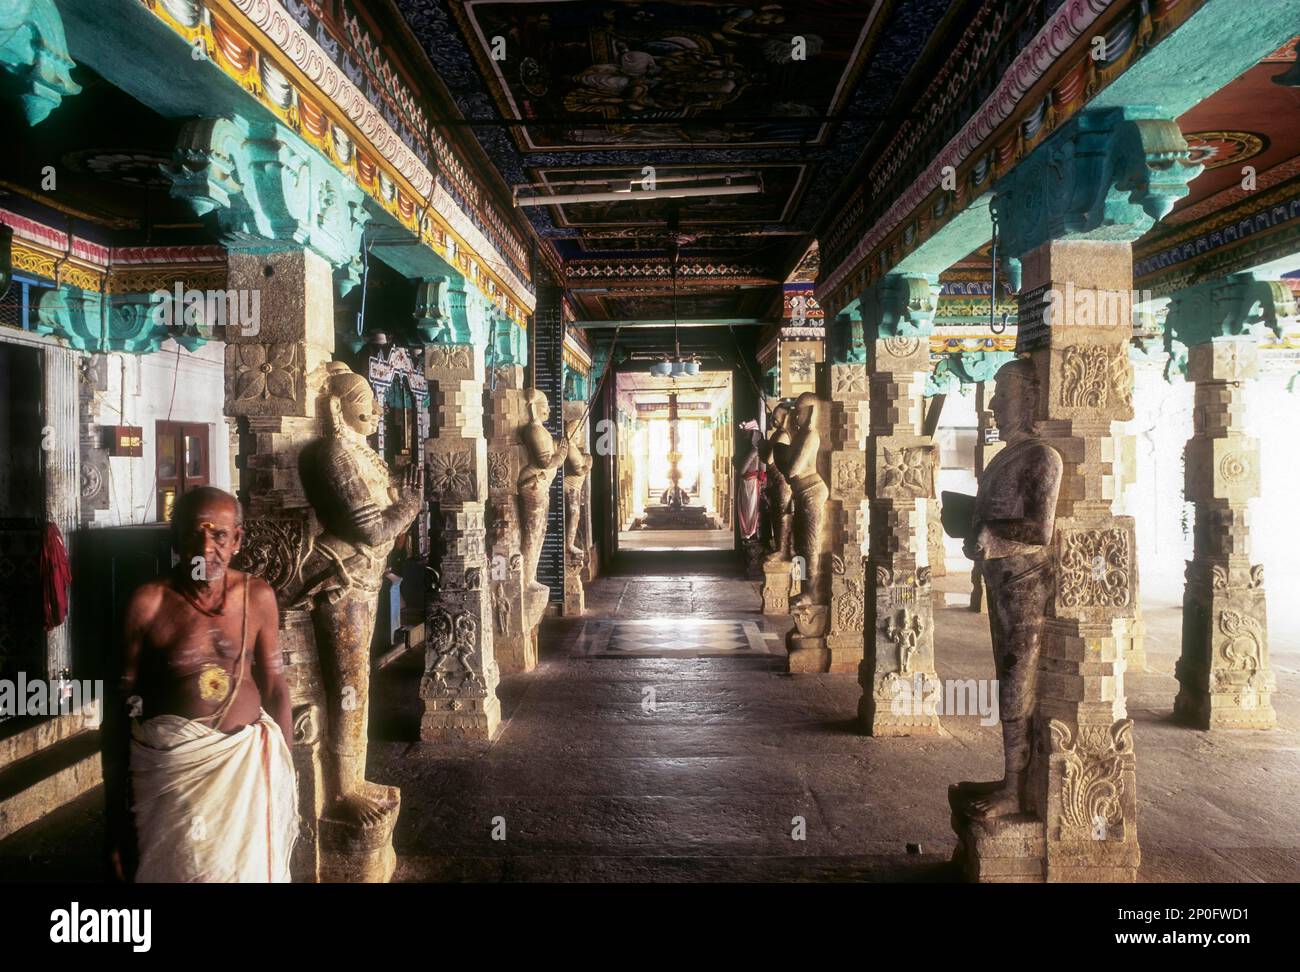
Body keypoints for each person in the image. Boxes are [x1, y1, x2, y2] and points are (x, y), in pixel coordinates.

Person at [110, 486, 296, 882]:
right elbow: (121, 705)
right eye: (195, 534)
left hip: (245, 771)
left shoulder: (257, 596)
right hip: (172, 774)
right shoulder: (148, 603)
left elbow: (276, 684)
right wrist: (116, 814)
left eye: (219, 535)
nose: (206, 547)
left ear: (238, 540)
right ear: (176, 538)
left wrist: (283, 771)